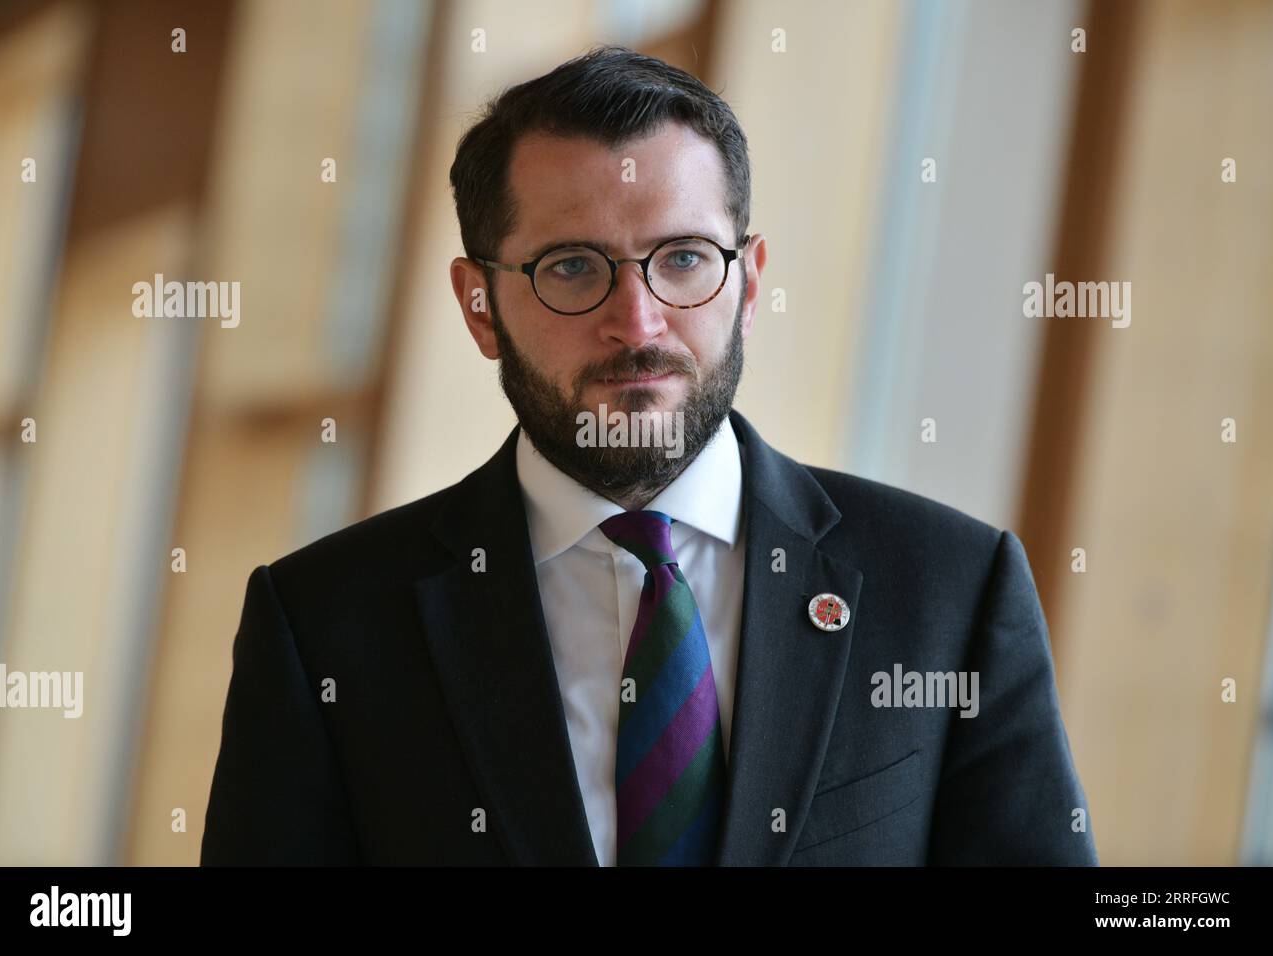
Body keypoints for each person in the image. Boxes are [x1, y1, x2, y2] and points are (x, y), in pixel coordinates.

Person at [201, 45, 1098, 866]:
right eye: (572, 268)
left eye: (682, 259)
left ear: (748, 284)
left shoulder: (947, 589)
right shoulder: (325, 625)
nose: (637, 323)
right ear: (480, 306)